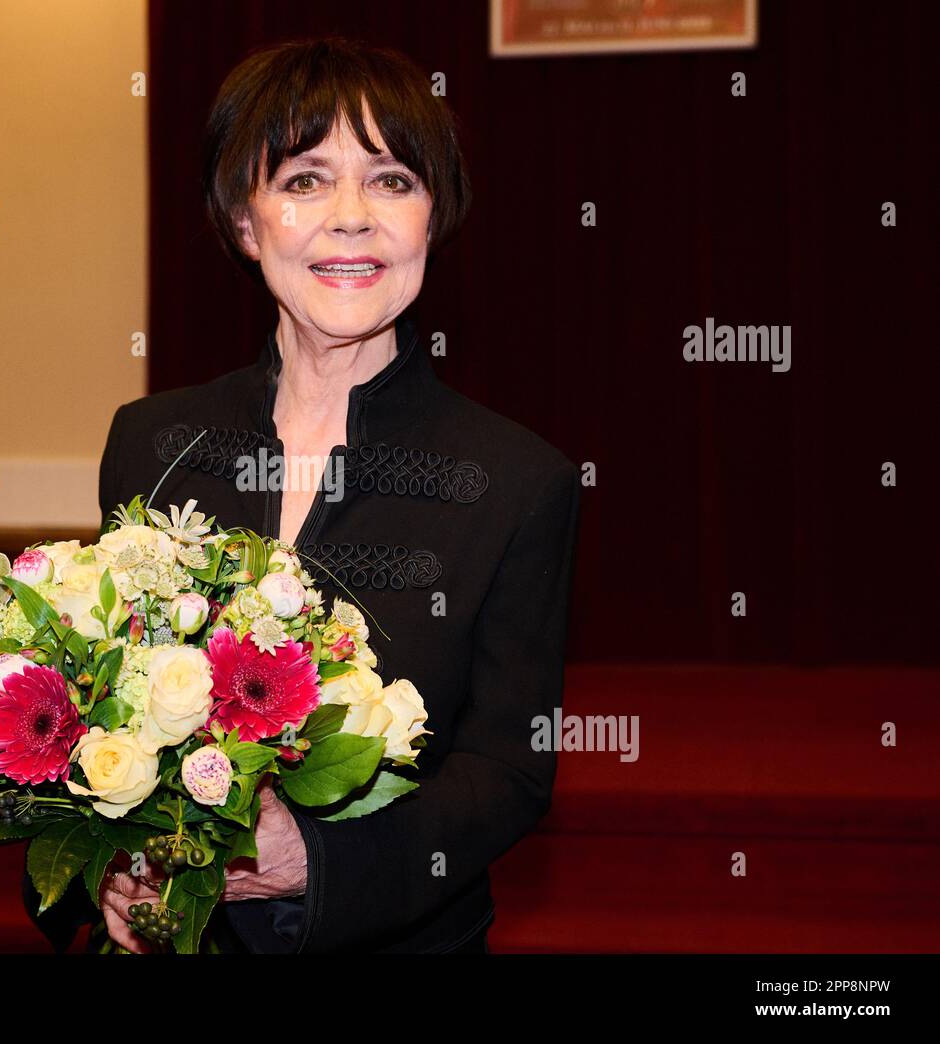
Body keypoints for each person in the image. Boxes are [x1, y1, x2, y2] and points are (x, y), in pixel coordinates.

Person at [93, 36, 581, 954]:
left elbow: (509, 770)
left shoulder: (519, 481)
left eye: (392, 180)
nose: (351, 219)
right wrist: (111, 879)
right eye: (305, 180)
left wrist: (319, 860)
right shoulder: (152, 443)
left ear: (431, 219)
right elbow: (101, 706)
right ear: (246, 221)